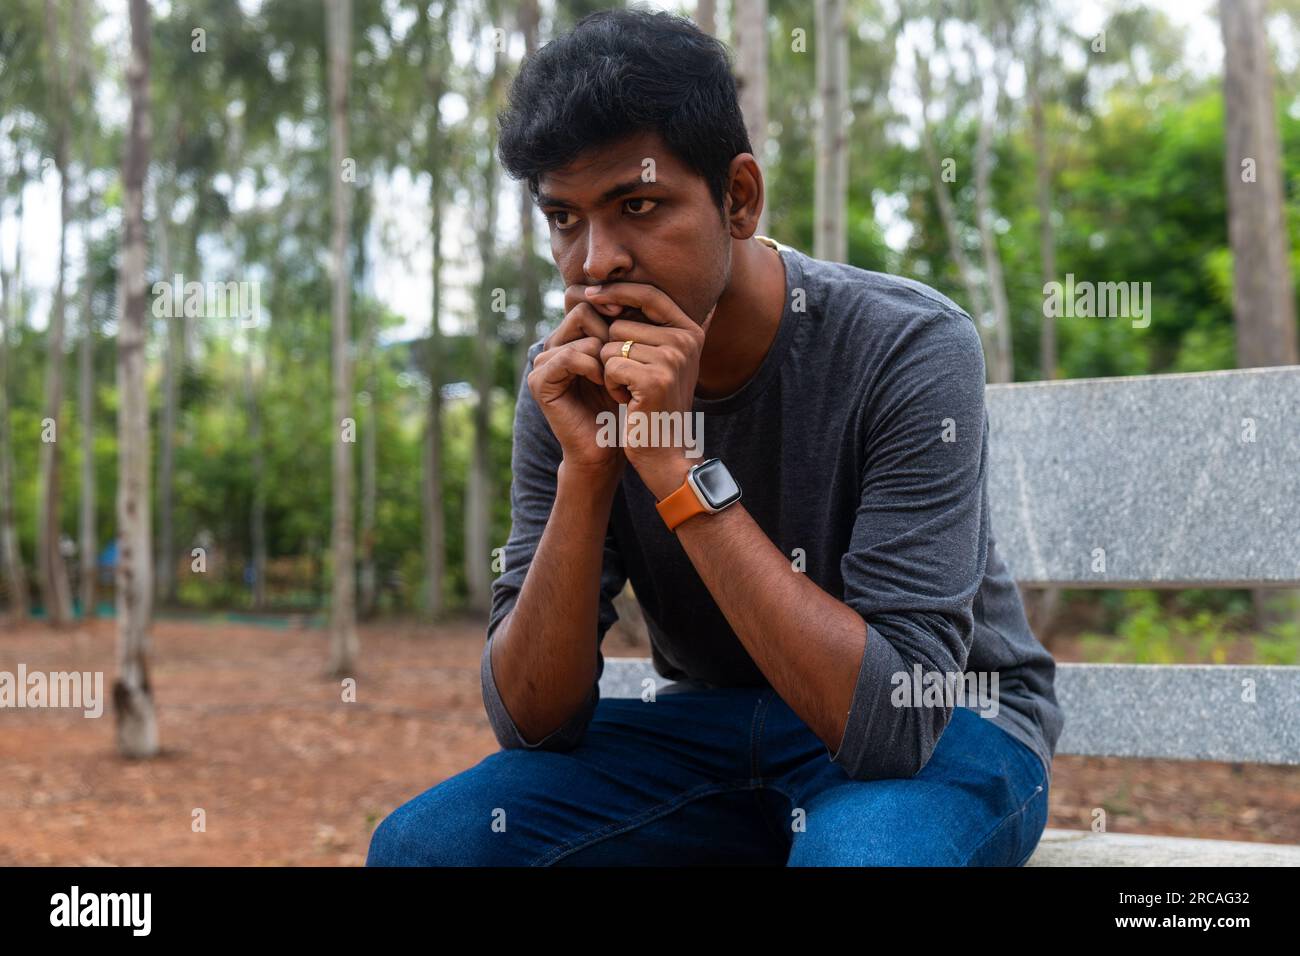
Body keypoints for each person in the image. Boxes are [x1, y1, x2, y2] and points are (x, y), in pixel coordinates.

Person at [367, 7, 1063, 867]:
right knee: (427, 849)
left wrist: (677, 470)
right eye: (564, 219)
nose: (594, 261)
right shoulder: (567, 385)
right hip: (709, 729)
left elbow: (894, 728)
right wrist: (589, 474)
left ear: (738, 197)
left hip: (946, 721)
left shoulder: (906, 345)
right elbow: (530, 722)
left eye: (638, 205)